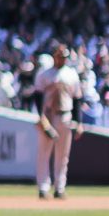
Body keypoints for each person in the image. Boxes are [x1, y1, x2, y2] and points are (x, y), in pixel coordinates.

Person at [33, 46, 80, 200]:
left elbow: (77, 99)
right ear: (54, 56)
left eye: (64, 56)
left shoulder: (71, 74)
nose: (62, 58)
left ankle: (60, 188)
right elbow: (38, 96)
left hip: (65, 116)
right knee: (44, 153)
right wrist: (40, 117)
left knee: (63, 155)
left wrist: (78, 122)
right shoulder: (45, 74)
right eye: (60, 56)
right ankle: (43, 188)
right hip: (48, 116)